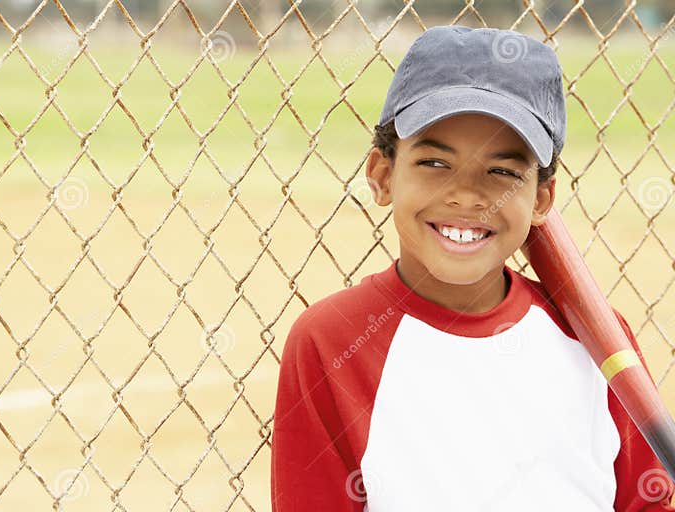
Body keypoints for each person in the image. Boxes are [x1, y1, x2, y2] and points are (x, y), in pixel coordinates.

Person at [270, 25, 675, 511]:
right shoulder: (330, 343)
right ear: (381, 176)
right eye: (435, 163)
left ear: (542, 198)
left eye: (502, 171)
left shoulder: (596, 339)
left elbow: (646, 500)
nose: (466, 194)